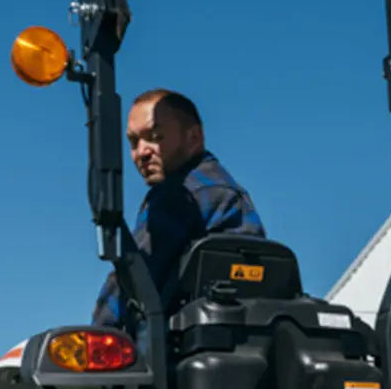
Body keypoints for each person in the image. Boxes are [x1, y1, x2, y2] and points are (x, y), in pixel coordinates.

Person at [92, 89, 265, 326]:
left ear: (194, 137)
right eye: (133, 142)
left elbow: (135, 277)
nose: (141, 152)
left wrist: (95, 336)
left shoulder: (181, 195)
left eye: (155, 136)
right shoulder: (229, 192)